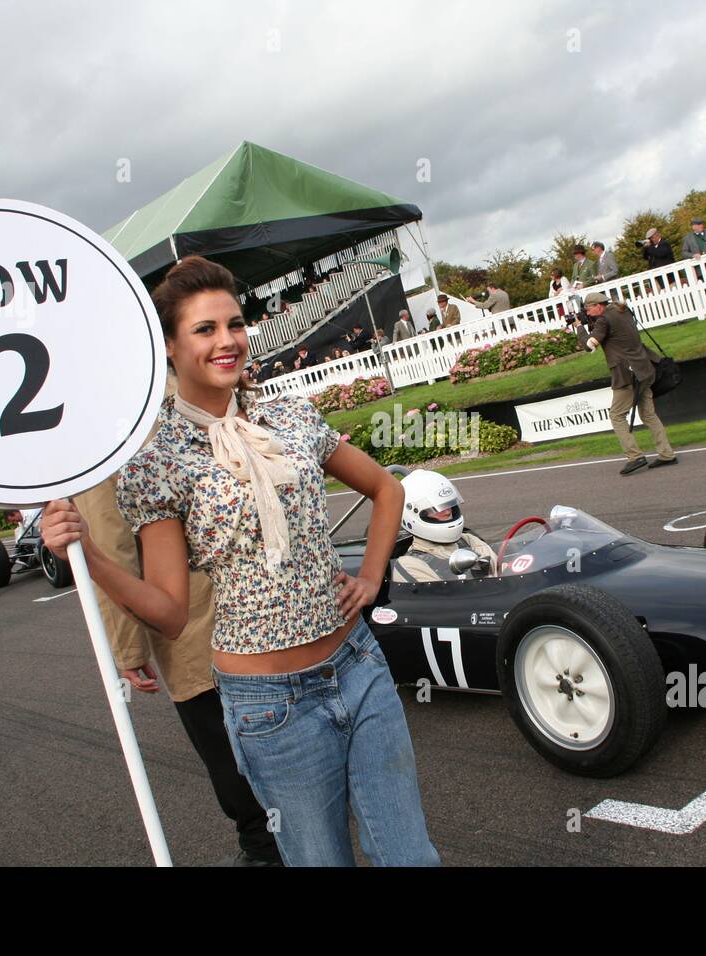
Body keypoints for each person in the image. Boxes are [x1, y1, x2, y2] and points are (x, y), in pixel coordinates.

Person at [41, 256, 437, 867]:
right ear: (169, 347)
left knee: (412, 859)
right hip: (269, 704)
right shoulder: (157, 460)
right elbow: (170, 613)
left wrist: (370, 576)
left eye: (234, 323)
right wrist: (88, 556)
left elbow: (387, 489)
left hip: (359, 666)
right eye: (204, 329)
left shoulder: (288, 414)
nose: (227, 341)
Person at [72, 469, 282, 866]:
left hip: (194, 616)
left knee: (226, 749)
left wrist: (128, 649)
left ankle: (265, 850)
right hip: (264, 599)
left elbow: (109, 541)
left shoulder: (105, 437)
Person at [582, 292, 676, 475]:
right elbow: (614, 334)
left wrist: (579, 327)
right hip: (644, 368)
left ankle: (635, 456)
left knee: (617, 416)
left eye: (588, 308)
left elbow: (589, 346)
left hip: (627, 375)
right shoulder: (622, 311)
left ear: (598, 306)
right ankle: (666, 453)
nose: (587, 312)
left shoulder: (603, 320)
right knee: (648, 414)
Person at [389, 471, 499, 584]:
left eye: (450, 504)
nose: (448, 511)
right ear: (412, 514)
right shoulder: (410, 564)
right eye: (437, 508)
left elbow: (501, 574)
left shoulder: (469, 540)